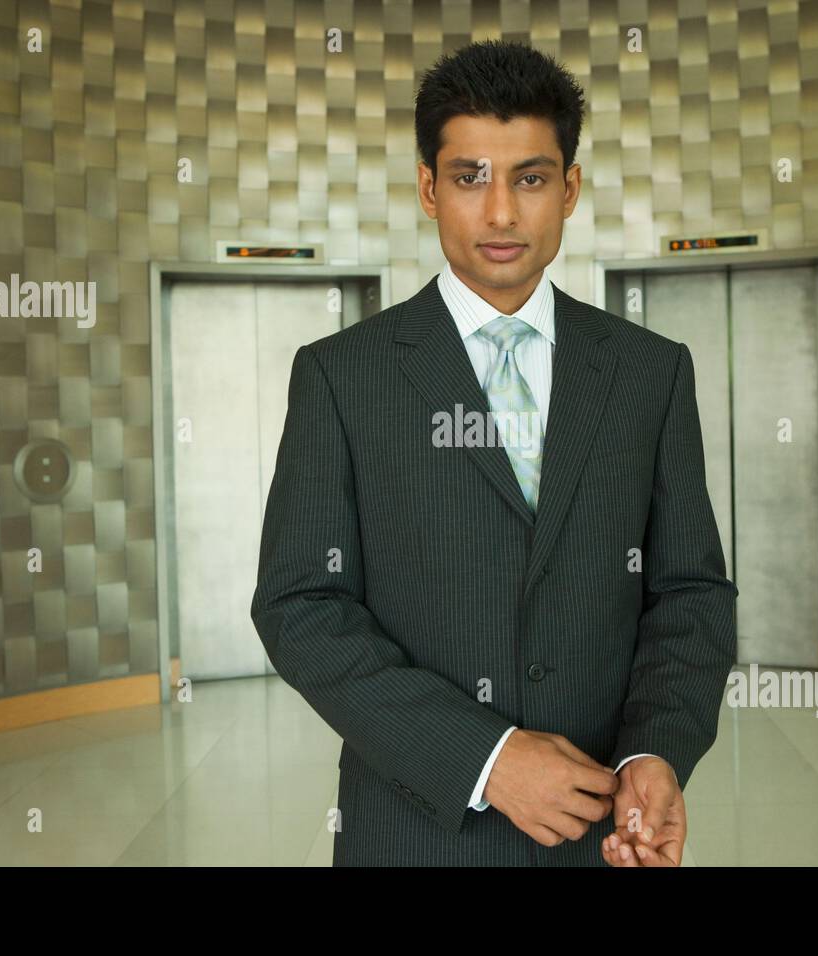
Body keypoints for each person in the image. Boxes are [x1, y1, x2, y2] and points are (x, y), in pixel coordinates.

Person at [250, 39, 737, 867]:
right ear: (428, 189)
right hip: (416, 833)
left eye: (531, 177)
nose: (502, 213)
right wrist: (485, 756)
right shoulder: (343, 377)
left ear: (571, 189)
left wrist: (652, 753)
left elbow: (688, 591)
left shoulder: (651, 373)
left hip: (600, 833)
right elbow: (301, 605)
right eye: (470, 176)